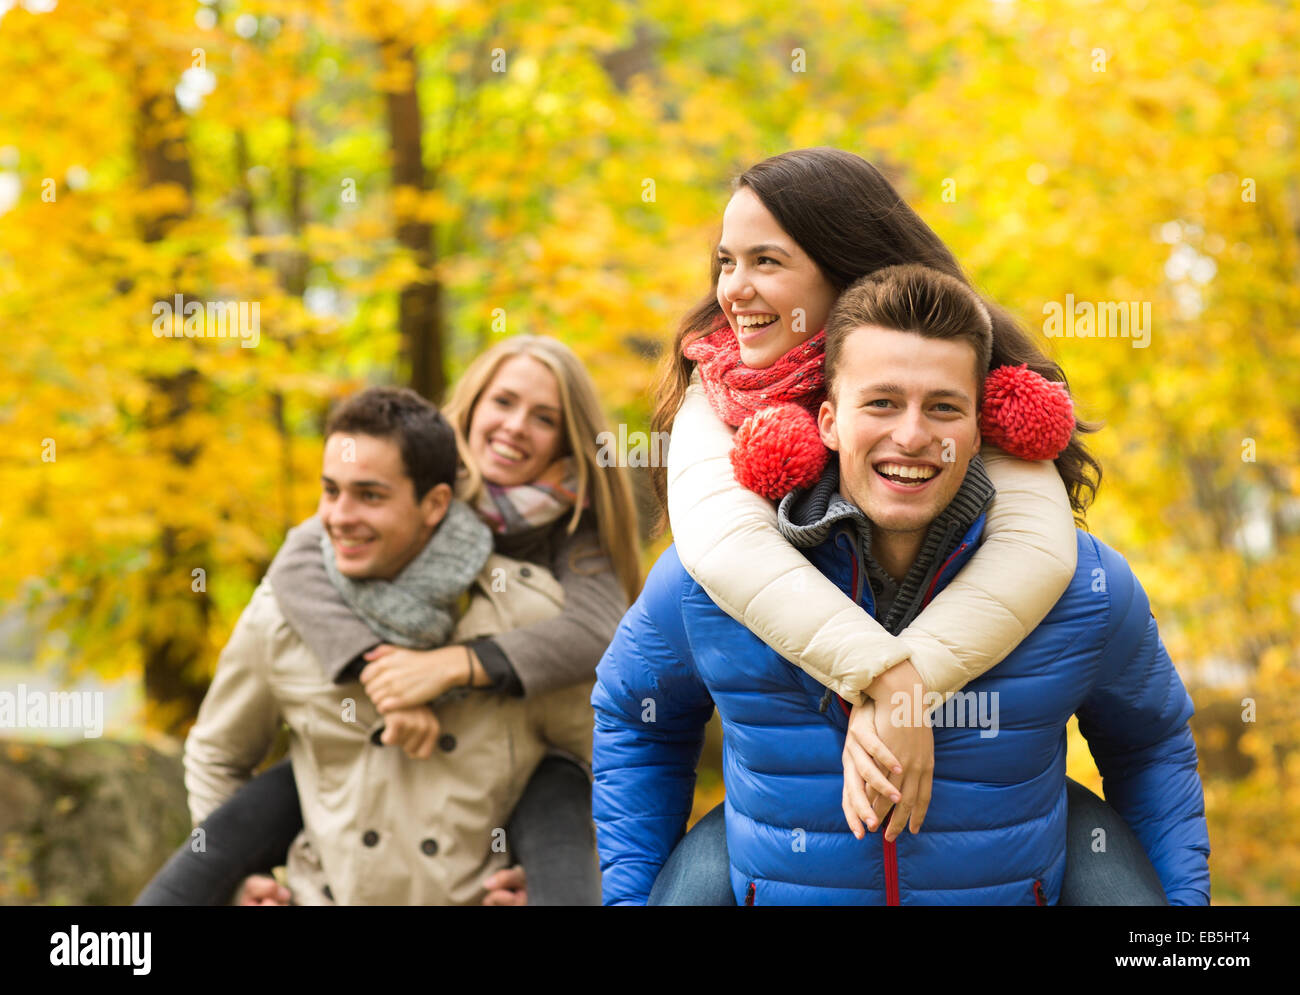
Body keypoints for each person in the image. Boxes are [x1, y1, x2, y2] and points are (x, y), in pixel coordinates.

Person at [592, 264, 1210, 905]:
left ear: (978, 434)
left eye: (943, 408)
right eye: (882, 403)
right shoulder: (707, 582)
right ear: (829, 422)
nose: (912, 437)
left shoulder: (1087, 588)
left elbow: (1151, 744)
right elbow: (639, 721)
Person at [137, 338, 639, 906]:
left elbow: (600, 656)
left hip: (504, 742)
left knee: (557, 781)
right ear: (470, 411)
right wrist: (384, 675)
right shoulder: (368, 509)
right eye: (503, 402)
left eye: (544, 418)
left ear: (434, 505)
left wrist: (559, 871)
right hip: (346, 810)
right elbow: (300, 560)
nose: (516, 427)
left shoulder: (567, 537)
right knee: (303, 769)